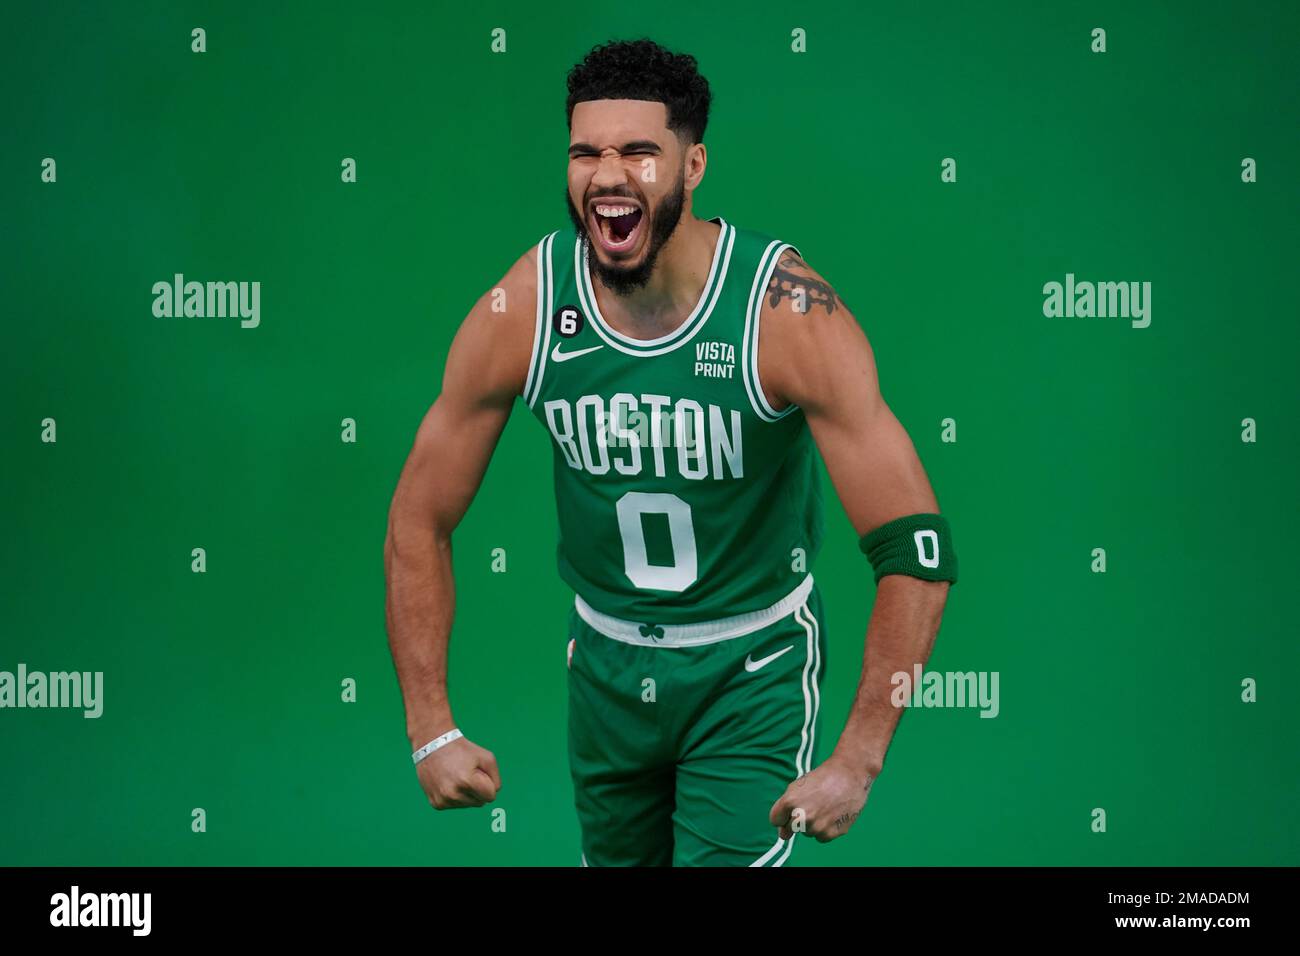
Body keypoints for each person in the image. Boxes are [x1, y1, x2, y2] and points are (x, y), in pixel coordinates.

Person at [384, 38, 957, 867]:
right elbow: (419, 515)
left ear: (692, 166)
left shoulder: (785, 312)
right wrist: (428, 727)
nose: (608, 174)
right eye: (586, 152)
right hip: (606, 669)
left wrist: (859, 758)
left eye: (639, 152)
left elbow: (917, 548)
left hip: (749, 666)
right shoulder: (529, 306)